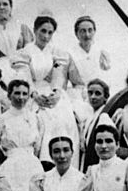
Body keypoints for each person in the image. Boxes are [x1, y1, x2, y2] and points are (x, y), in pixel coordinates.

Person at [22, 13, 83, 170]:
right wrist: (34, 95)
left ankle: (66, 164)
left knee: (64, 119)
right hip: (33, 92)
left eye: (50, 32)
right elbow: (25, 76)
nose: (46, 36)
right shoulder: (26, 52)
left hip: (52, 93)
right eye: (43, 31)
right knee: (42, 121)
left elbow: (58, 74)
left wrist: (56, 93)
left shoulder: (55, 52)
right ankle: (44, 164)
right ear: (35, 31)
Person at [0, 78, 44, 191]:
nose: (21, 97)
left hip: (32, 165)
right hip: (11, 167)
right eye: (17, 93)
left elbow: (37, 146)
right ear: (9, 95)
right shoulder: (2, 119)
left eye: (25, 93)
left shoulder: (35, 118)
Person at [67, 16, 113, 92]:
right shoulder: (69, 54)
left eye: (90, 30)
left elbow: (108, 77)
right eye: (83, 31)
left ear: (94, 31)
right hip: (78, 94)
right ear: (76, 34)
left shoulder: (102, 53)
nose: (87, 35)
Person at [79, 78, 110, 172]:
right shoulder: (90, 116)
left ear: (105, 97)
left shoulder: (104, 116)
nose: (93, 97)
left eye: (97, 93)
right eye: (90, 93)